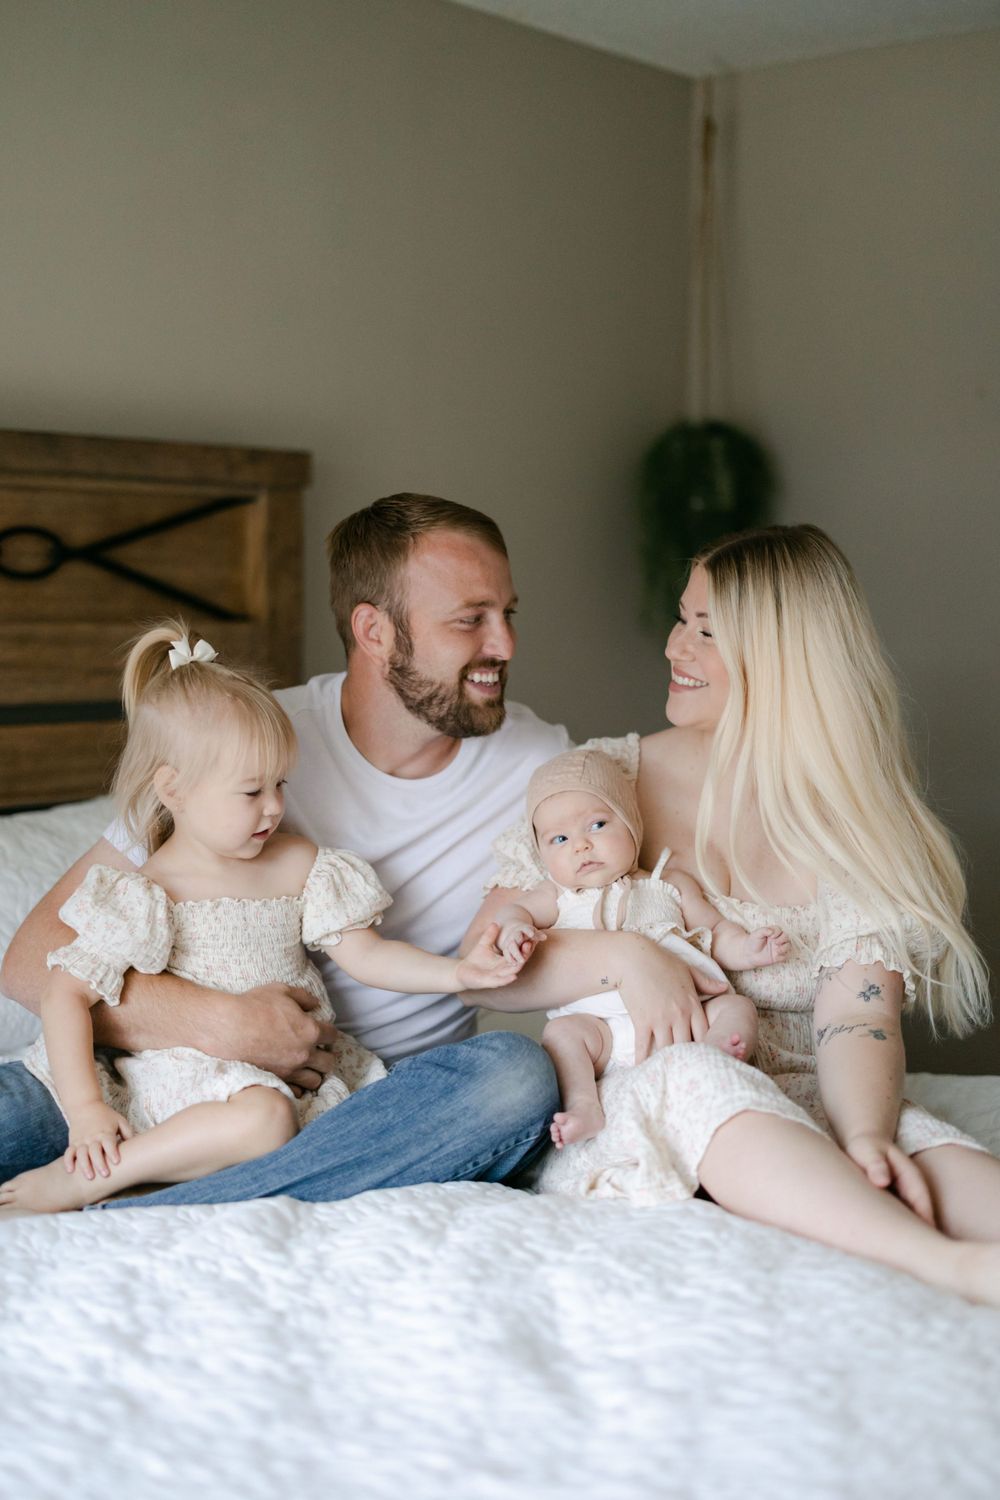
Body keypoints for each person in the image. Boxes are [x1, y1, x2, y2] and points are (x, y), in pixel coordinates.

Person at [1, 494, 602, 1206]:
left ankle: (131, 1207)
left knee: (516, 1077)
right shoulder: (239, 736)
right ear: (374, 630)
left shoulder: (540, 762)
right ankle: (173, 1181)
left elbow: (635, 856)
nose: (505, 645)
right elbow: (34, 962)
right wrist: (222, 1024)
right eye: (470, 619)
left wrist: (633, 960)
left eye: (508, 613)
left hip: (362, 1106)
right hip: (140, 1074)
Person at [468, 525, 1000, 1304]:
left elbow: (858, 1018)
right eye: (681, 619)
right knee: (702, 1076)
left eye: (705, 631)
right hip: (654, 1088)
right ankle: (944, 1267)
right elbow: (485, 969)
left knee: (921, 1149)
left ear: (780, 657)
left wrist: (865, 1135)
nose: (674, 645)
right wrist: (627, 958)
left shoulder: (852, 818)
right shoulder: (604, 784)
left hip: (806, 1085)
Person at [494, 745, 786, 1147]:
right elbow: (513, 913)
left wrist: (748, 948)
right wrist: (514, 930)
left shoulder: (667, 884)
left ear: (631, 823)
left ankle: (715, 1055)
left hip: (688, 1017)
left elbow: (715, 931)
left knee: (737, 1008)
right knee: (561, 1033)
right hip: (602, 1033)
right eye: (559, 838)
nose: (580, 845)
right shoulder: (556, 895)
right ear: (541, 853)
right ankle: (584, 1105)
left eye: (597, 825)